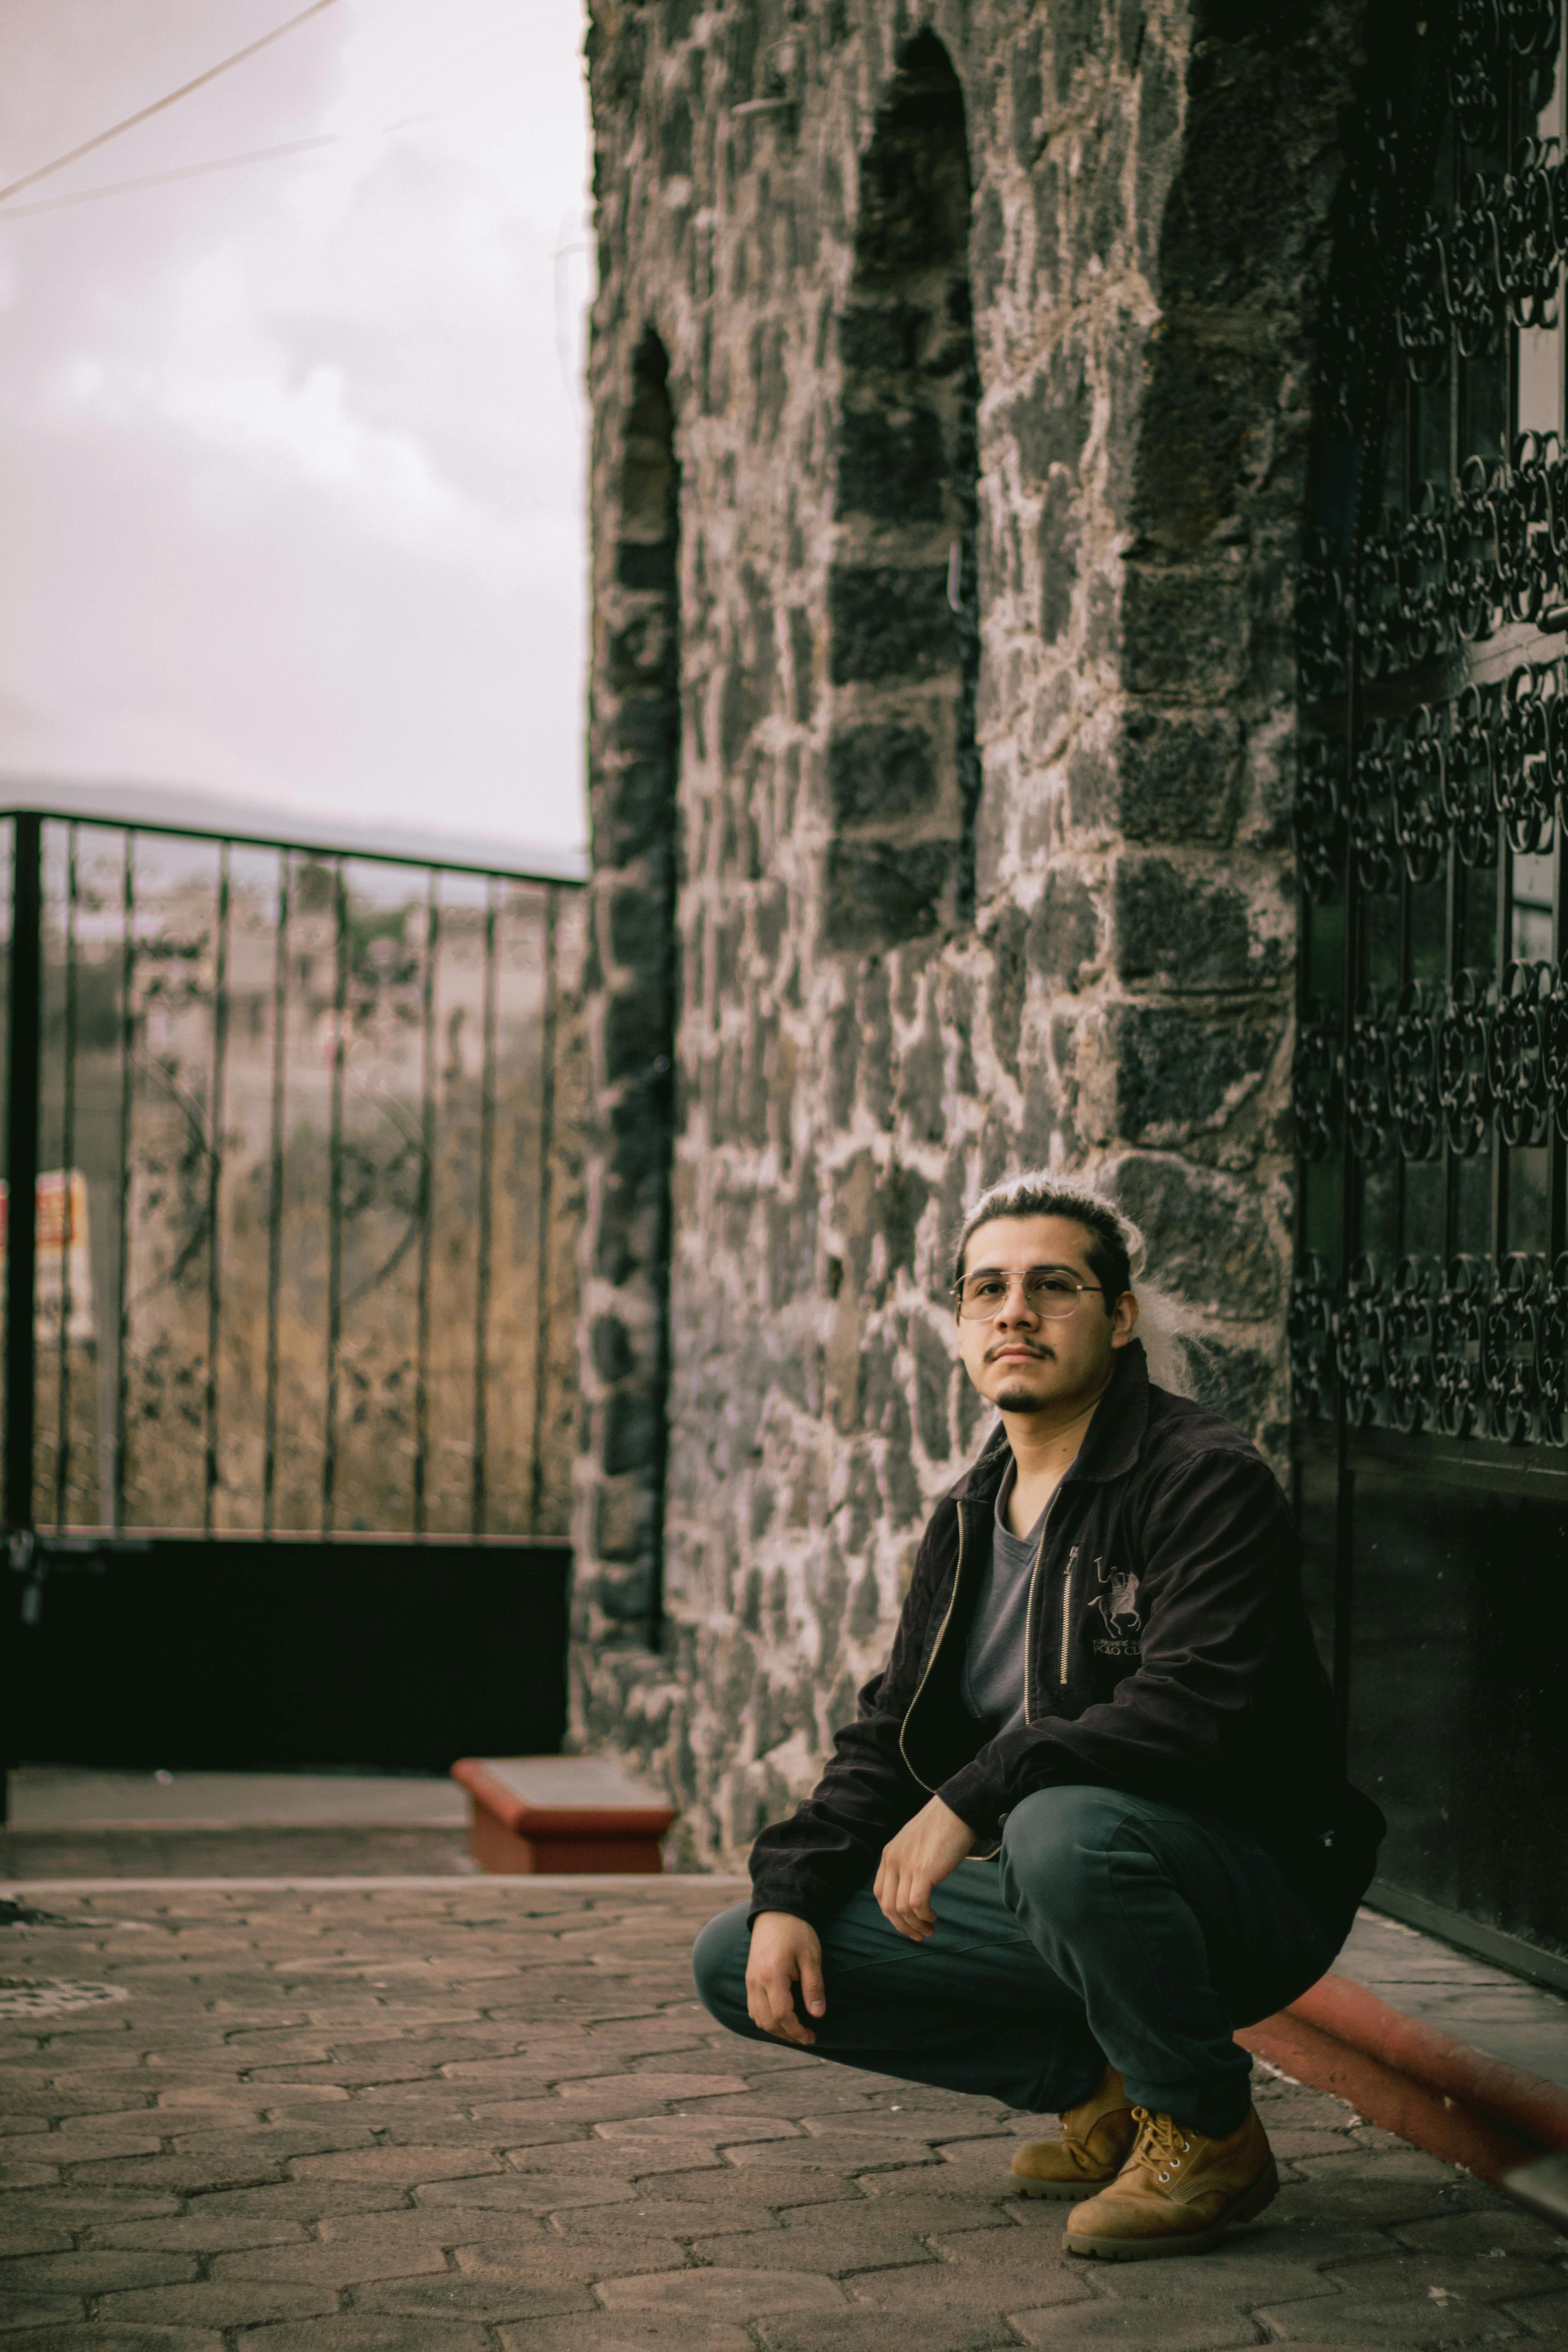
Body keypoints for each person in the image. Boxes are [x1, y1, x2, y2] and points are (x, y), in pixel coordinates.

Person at [692, 1171, 1382, 2261]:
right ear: (962, 1325)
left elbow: (1191, 1704)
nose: (1014, 1310)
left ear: (1119, 1316)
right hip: (1064, 1884)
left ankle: (1205, 2127)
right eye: (987, 1288)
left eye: (1053, 1286)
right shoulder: (968, 1513)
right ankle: (1101, 2084)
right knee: (741, 1954)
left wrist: (975, 1794)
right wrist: (792, 1883)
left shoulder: (1202, 1476)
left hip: (1244, 1884)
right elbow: (889, 1728)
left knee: (1060, 1824)